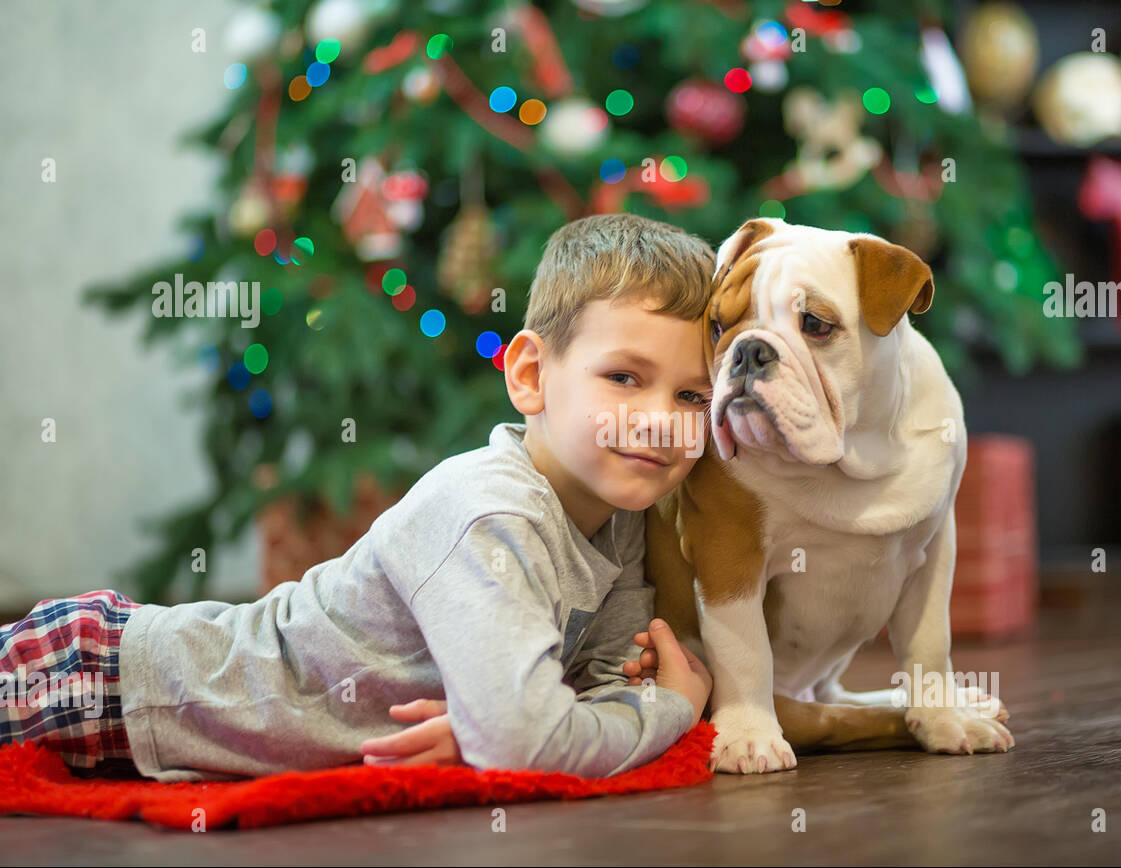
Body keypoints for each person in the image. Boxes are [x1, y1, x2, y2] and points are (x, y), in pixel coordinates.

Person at [0, 212, 716, 783]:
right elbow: (530, 740)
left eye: (691, 395)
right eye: (624, 377)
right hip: (108, 677)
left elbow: (598, 688)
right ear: (530, 375)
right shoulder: (489, 511)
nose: (657, 418)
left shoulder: (621, 524)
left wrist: (525, 725)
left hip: (142, 722)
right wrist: (672, 710)